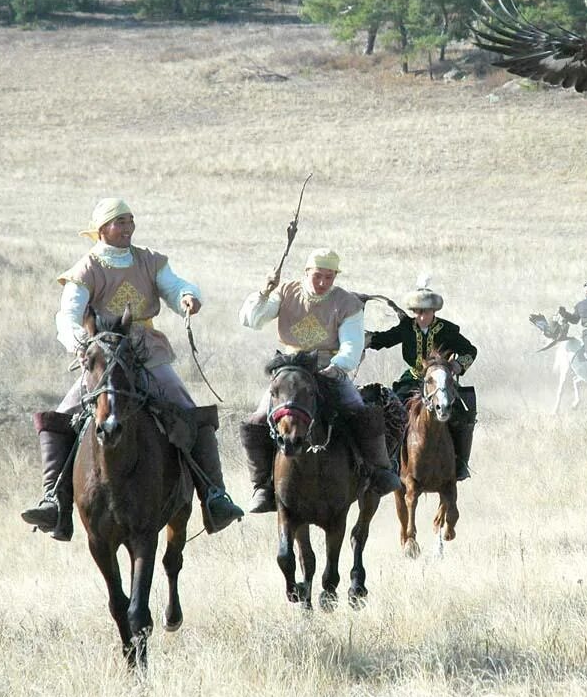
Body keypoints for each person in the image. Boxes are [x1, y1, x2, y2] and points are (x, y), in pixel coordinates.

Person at [21, 198, 245, 541]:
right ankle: (54, 501)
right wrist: (81, 344)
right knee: (60, 418)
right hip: (103, 355)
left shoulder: (148, 260)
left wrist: (187, 296)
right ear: (102, 229)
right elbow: (68, 315)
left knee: (188, 409)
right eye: (119, 222)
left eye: (130, 221)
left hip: (146, 350)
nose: (127, 228)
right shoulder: (85, 269)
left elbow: (174, 286)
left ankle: (214, 496)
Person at [238, 249, 401, 512]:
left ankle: (379, 473)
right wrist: (264, 291)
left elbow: (352, 344)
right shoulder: (286, 291)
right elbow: (251, 320)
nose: (323, 282)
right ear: (306, 272)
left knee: (360, 411)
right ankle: (262, 486)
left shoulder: (347, 303)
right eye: (318, 276)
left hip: (329, 367)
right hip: (290, 368)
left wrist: (338, 367)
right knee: (256, 420)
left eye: (329, 277)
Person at [365, 277, 478, 481]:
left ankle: (460, 463)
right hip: (413, 378)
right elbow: (385, 339)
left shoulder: (448, 330)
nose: (421, 315)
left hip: (442, 381)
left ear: (434, 311)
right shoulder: (407, 328)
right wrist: (366, 339)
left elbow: (470, 350)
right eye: (417, 311)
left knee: (463, 413)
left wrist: (457, 365)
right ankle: (392, 462)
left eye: (425, 311)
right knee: (392, 412)